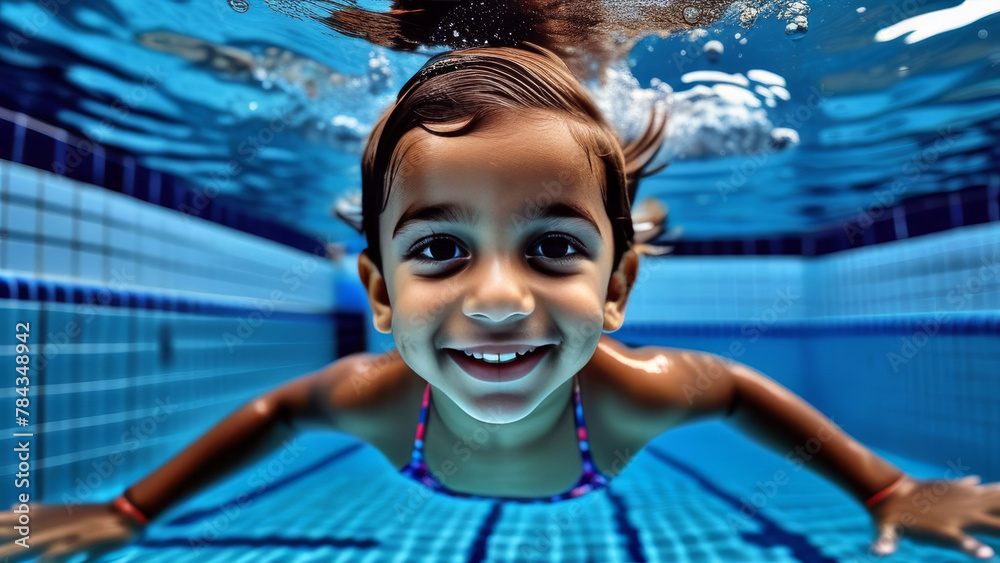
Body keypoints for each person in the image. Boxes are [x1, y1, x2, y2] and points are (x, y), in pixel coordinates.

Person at [3, 45, 999, 562]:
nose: (493, 300)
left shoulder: (631, 391)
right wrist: (127, 510)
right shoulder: (376, 393)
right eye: (438, 250)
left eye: (553, 250)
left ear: (616, 293)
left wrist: (884, 490)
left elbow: (737, 388)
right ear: (380, 295)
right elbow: (277, 408)